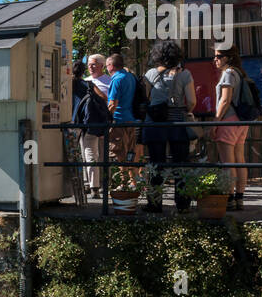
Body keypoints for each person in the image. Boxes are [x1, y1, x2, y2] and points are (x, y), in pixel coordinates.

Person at [142, 41, 196, 212]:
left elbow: (145, 98)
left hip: (155, 123)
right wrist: (184, 109)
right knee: (181, 163)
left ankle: (155, 203)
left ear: (157, 55)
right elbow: (192, 101)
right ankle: (182, 204)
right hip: (177, 122)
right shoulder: (185, 74)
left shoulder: (150, 73)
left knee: (156, 163)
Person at [213, 46, 250, 210]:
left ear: (228, 57)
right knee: (239, 160)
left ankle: (229, 200)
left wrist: (215, 123)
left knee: (228, 162)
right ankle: (239, 198)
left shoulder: (228, 73)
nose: (215, 60)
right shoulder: (240, 72)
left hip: (228, 120)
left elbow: (225, 100)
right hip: (242, 121)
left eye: (218, 56)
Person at [71, 62, 108, 197]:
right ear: (83, 71)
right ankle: (94, 188)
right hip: (90, 122)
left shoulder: (68, 84)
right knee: (91, 154)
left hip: (75, 122)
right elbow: (104, 97)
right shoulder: (89, 84)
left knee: (80, 154)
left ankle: (86, 184)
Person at [105, 53, 138, 185]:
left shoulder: (116, 79)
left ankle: (123, 184)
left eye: (107, 65)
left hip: (119, 120)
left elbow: (113, 103)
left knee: (119, 153)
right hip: (131, 119)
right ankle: (133, 181)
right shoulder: (130, 76)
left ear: (111, 66)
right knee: (130, 153)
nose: (106, 69)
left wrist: (106, 118)